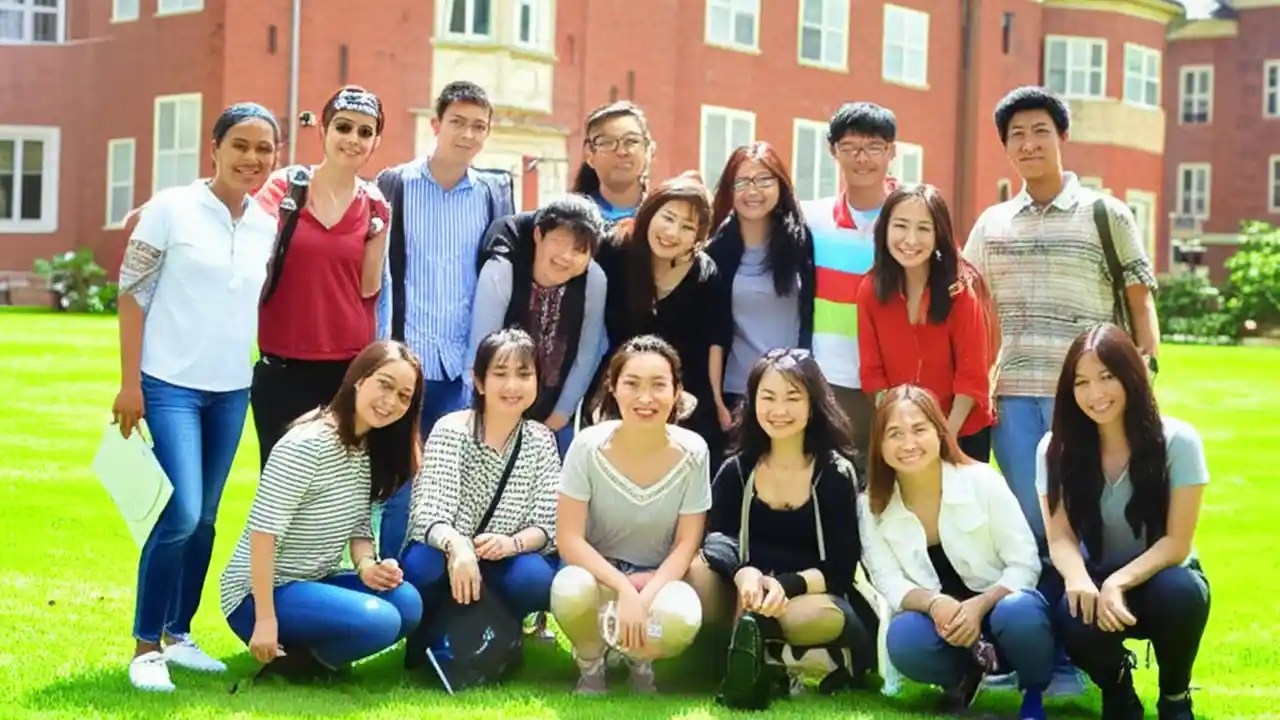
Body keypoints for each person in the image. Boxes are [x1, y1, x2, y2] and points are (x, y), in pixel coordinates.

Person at [112, 103, 280, 692]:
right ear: (214, 148)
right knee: (179, 512)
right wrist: (130, 381)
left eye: (264, 149)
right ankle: (145, 646)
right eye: (240, 144)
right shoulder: (169, 210)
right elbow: (130, 293)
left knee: (206, 517)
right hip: (168, 383)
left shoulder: (266, 224)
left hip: (232, 387)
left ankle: (180, 634)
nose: (252, 159)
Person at [963, 86, 1159, 550]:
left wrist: (1146, 369)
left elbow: (1140, 298)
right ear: (1006, 146)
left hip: (1088, 395)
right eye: (1017, 135)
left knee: (1094, 511)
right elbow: (967, 298)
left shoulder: (1105, 213)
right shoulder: (992, 223)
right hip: (1012, 399)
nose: (1028, 144)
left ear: (1062, 136)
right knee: (1034, 521)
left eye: (1040, 132)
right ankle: (1051, 613)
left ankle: (1100, 606)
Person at [220, 341, 425, 680]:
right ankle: (294, 664)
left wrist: (366, 567)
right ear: (359, 379)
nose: (391, 402)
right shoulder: (307, 444)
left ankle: (305, 662)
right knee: (382, 620)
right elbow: (263, 533)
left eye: (404, 396)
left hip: (313, 580)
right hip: (257, 595)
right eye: (384, 384)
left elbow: (359, 526)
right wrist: (266, 619)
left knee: (408, 604)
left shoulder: (366, 445)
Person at [374, 80, 516, 560]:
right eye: (458, 122)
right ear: (435, 125)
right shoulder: (394, 185)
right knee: (400, 485)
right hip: (407, 361)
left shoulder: (494, 194)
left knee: (457, 485)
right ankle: (396, 588)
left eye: (479, 126)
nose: (468, 134)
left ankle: (443, 596)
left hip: (464, 365)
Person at [1038, 324, 1209, 720]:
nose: (1095, 394)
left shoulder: (1179, 442)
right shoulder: (1053, 449)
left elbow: (1177, 543)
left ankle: (1175, 696)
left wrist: (1118, 582)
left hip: (1161, 575)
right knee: (1073, 611)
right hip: (1095, 572)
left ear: (1131, 375)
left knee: (1181, 593)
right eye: (1081, 382)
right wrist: (1081, 580)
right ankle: (1118, 691)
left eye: (1107, 377)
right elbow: (1060, 535)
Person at [860, 385, 1052, 719]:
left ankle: (1033, 693)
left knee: (1020, 611)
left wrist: (979, 606)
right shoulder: (871, 505)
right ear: (879, 444)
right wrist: (934, 604)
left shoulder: (981, 480)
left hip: (999, 610)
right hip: (942, 622)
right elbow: (887, 581)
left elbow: (1025, 564)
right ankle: (961, 679)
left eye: (919, 429)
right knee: (904, 639)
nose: (908, 444)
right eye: (894, 434)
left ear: (940, 431)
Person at [701, 348, 877, 704]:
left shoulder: (834, 473)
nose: (779, 411)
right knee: (698, 580)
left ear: (813, 404)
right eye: (768, 398)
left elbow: (842, 568)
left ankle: (771, 658)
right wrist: (745, 573)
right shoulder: (737, 470)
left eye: (792, 398)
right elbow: (716, 537)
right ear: (752, 403)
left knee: (802, 614)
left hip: (814, 595)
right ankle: (764, 661)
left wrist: (784, 585)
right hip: (747, 590)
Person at [550, 336, 715, 695]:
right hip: (598, 578)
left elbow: (688, 542)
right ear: (613, 387)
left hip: (658, 579)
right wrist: (623, 588)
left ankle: (640, 658)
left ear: (676, 392)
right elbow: (569, 539)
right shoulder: (587, 446)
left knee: (682, 616)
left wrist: (646, 594)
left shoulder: (694, 452)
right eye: (632, 384)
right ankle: (592, 663)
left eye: (659, 385)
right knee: (570, 589)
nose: (646, 398)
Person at [400, 329, 562, 665]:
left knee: (535, 578)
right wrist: (459, 547)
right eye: (500, 374)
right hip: (447, 553)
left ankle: (501, 632)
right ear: (479, 381)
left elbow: (548, 524)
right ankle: (431, 632)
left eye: (524, 374)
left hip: (503, 555)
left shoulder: (541, 439)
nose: (512, 386)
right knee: (421, 565)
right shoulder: (451, 429)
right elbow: (428, 513)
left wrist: (511, 544)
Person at [251, 86, 391, 468]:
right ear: (323, 132)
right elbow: (245, 236)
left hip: (347, 371)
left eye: (365, 132)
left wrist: (379, 233)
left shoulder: (376, 204)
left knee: (337, 490)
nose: (353, 139)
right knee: (280, 488)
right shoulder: (284, 189)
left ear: (375, 141)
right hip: (283, 366)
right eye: (344, 127)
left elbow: (368, 288)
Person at [857, 185, 995, 461]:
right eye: (900, 226)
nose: (910, 239)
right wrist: (898, 431)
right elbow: (873, 374)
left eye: (923, 228)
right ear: (884, 229)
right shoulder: (871, 290)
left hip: (960, 432)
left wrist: (944, 441)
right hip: (902, 436)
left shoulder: (959, 291)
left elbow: (971, 377)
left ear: (938, 235)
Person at [598, 174, 731, 456]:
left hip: (682, 396)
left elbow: (715, 340)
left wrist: (717, 400)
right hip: (618, 389)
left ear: (699, 236)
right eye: (668, 218)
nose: (672, 233)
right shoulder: (614, 251)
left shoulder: (704, 274)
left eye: (687, 227)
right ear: (650, 212)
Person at [468, 194, 608, 454]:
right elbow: (480, 349)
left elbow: (587, 352)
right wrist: (486, 414)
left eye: (579, 250)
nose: (566, 256)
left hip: (553, 409)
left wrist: (561, 414)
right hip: (496, 402)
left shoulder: (594, 281)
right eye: (559, 241)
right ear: (538, 236)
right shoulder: (501, 270)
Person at [801, 102, 902, 457]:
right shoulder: (812, 219)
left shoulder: (909, 220)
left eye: (874, 147)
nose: (863, 158)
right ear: (833, 151)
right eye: (850, 148)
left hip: (896, 377)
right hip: (831, 377)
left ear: (892, 151)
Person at [706, 142, 816, 431]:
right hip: (737, 393)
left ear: (781, 186)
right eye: (741, 181)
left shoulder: (802, 243)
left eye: (764, 180)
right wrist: (716, 400)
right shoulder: (716, 251)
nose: (752, 191)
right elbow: (711, 334)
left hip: (793, 389)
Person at [572, 100, 653, 226]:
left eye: (631, 141)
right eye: (607, 142)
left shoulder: (660, 218)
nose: (621, 151)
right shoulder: (569, 219)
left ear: (648, 150)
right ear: (589, 155)